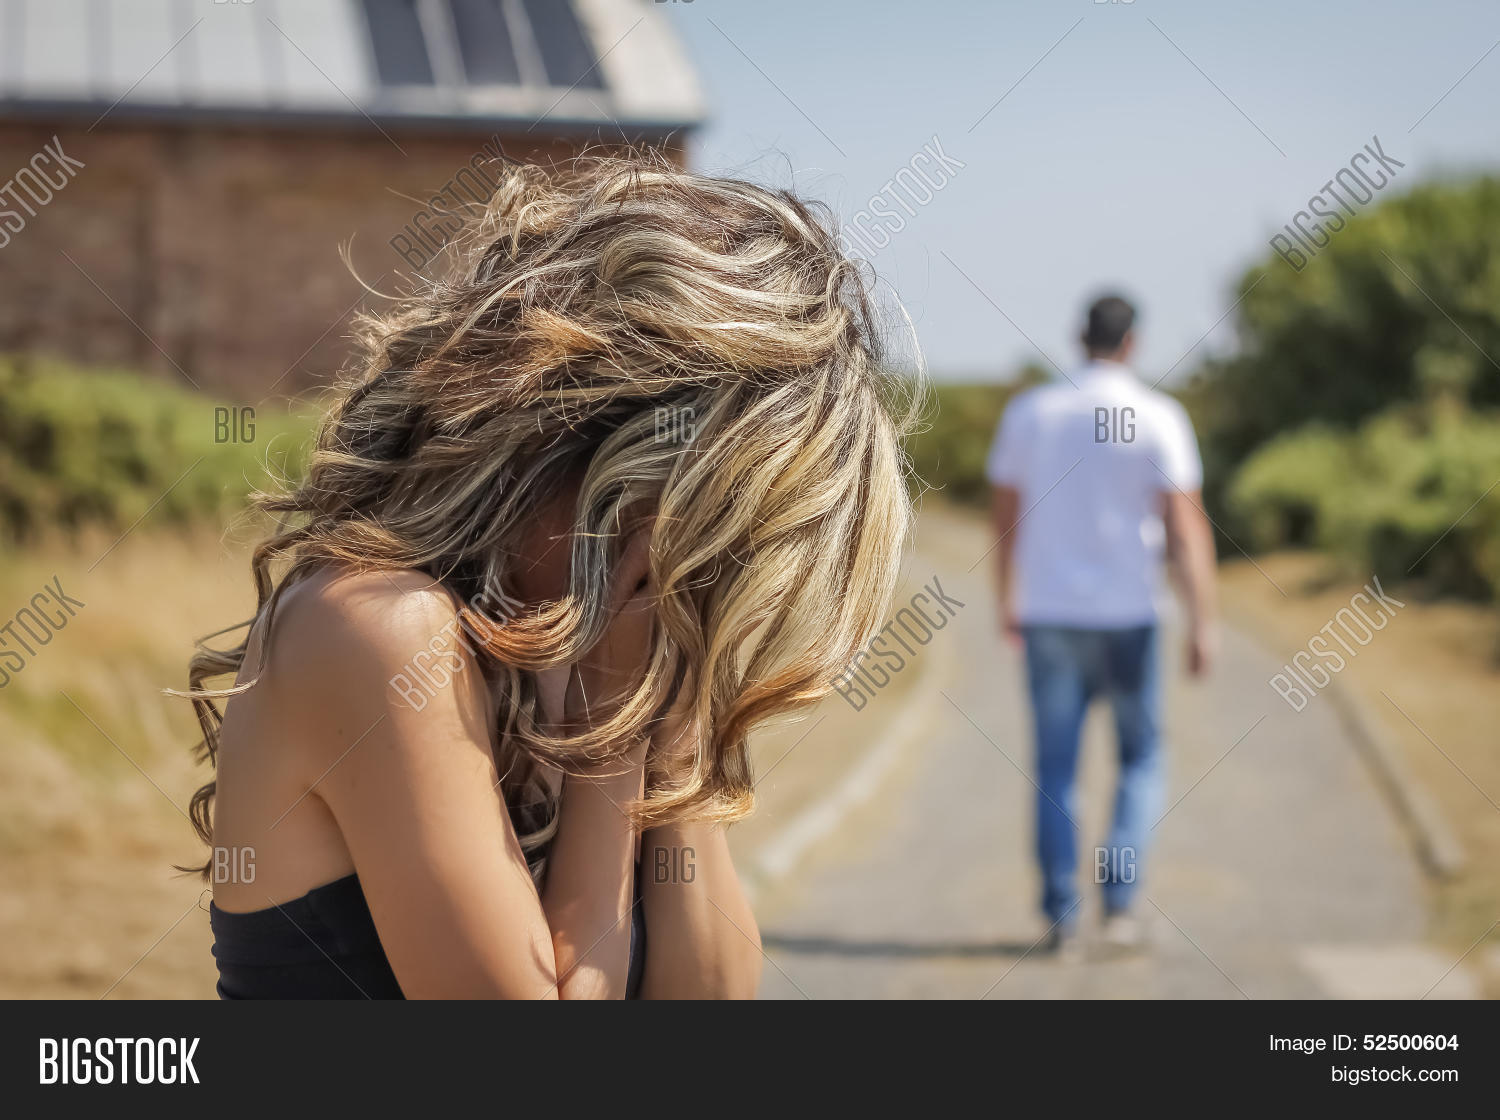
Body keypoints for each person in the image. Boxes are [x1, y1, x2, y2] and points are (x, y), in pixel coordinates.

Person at [180, 155, 916, 998]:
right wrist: (608, 740)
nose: (693, 578)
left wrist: (663, 718)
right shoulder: (381, 631)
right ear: (588, 453)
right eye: (693, 532)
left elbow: (708, 995)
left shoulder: (607, 644)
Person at [986, 294, 1217, 956]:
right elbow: (1185, 526)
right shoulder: (1160, 416)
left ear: (1078, 337)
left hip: (1050, 614)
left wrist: (1008, 598)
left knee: (1055, 767)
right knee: (1139, 759)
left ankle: (1061, 917)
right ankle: (1117, 907)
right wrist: (1204, 620)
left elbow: (1005, 517)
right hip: (1130, 619)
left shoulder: (1032, 412)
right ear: (1133, 343)